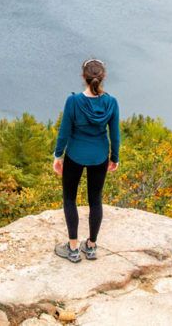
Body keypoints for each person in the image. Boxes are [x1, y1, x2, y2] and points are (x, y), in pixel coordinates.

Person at [52, 58, 120, 263]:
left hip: (75, 155)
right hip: (99, 157)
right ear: (103, 77)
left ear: (84, 77)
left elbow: (64, 132)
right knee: (95, 200)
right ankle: (91, 247)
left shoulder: (73, 102)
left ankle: (73, 248)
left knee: (70, 198)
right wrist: (114, 157)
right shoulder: (111, 102)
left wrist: (58, 155)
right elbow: (115, 134)